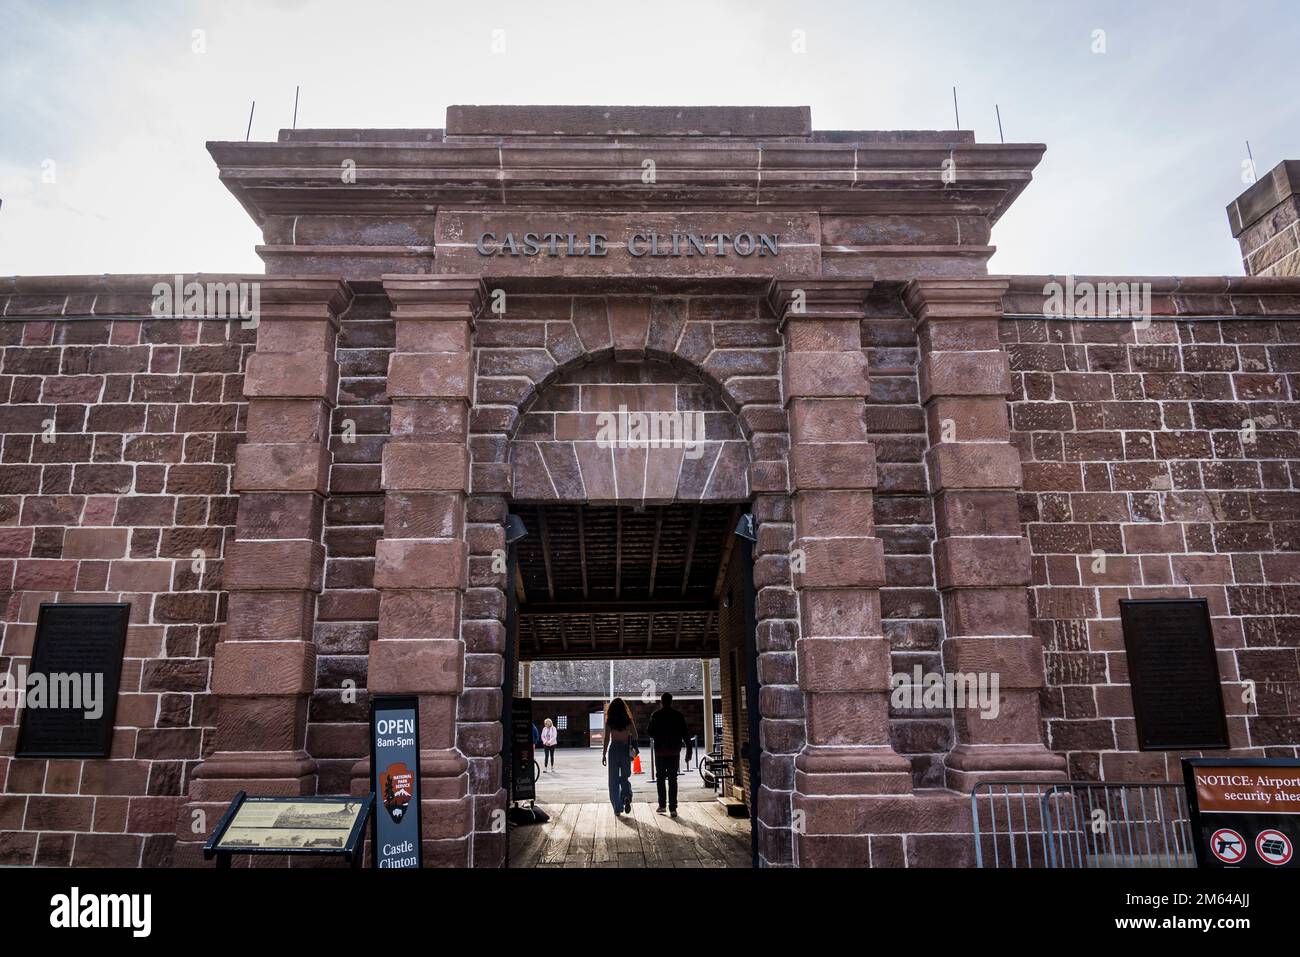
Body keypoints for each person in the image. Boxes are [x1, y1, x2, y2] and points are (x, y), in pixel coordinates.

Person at [647, 692, 688, 817]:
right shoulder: (678, 715)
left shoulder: (655, 715)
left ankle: (662, 805)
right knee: (672, 779)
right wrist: (689, 750)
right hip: (674, 751)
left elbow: (650, 732)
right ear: (671, 701)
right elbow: (684, 733)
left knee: (660, 778)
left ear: (661, 702)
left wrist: (659, 737)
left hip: (660, 751)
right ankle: (673, 808)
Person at [601, 697, 637, 814]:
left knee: (613, 780)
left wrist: (604, 754)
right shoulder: (628, 720)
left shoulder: (610, 721)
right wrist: (628, 737)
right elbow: (636, 735)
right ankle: (626, 796)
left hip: (614, 749)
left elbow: (606, 738)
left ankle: (617, 807)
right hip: (625, 749)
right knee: (624, 776)